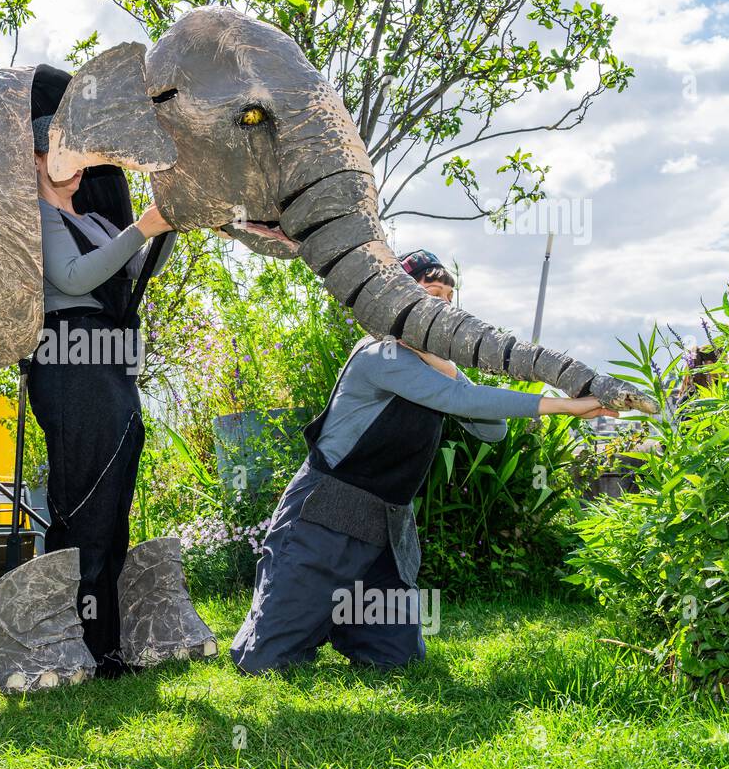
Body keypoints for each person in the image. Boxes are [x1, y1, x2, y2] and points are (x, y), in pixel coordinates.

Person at [229, 248, 619, 674]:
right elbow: (460, 400)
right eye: (431, 294)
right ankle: (305, 613)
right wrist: (567, 406)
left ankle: (331, 621)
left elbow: (494, 430)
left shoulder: (437, 370)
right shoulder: (380, 355)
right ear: (399, 299)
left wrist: (450, 367)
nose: (441, 309)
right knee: (265, 661)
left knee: (397, 659)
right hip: (325, 518)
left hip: (385, 532)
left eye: (448, 301)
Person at [26, 113, 178, 678]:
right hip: (67, 355)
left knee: (113, 497)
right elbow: (70, 277)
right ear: (38, 160)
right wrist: (141, 227)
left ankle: (105, 644)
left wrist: (166, 222)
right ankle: (69, 641)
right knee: (85, 497)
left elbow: (133, 267)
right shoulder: (34, 218)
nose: (74, 161)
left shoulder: (90, 217)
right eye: (59, 150)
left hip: (109, 354)